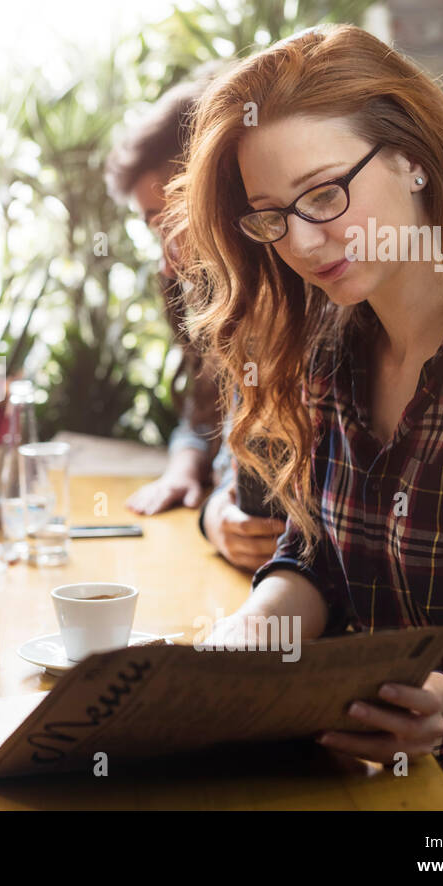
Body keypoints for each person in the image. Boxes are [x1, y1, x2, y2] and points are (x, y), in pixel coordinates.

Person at [167, 24, 443, 809]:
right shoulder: (333, 341)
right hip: (366, 786)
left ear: (412, 159)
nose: (300, 240)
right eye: (270, 215)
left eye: (325, 194)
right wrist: (241, 645)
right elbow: (316, 561)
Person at [106, 62, 286, 571]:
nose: (170, 254)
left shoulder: (315, 299)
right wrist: (188, 471)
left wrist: (215, 515)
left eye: (180, 212)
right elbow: (204, 407)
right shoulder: (196, 289)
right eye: (153, 224)